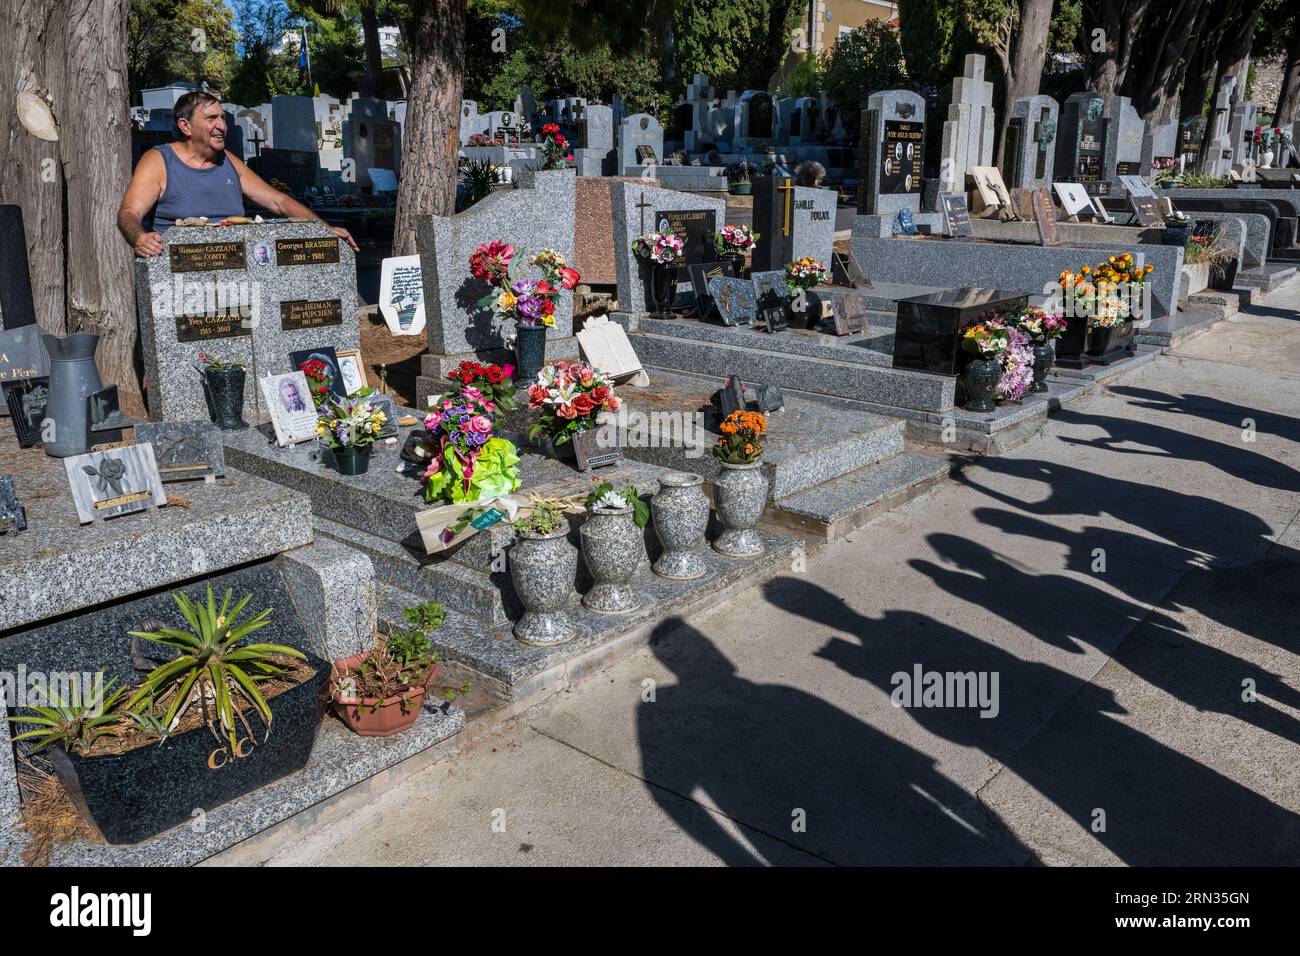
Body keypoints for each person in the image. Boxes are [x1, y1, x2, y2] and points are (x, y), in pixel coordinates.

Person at [118, 91, 357, 257]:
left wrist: (323, 229)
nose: (222, 125)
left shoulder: (228, 161)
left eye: (222, 118)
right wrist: (139, 237)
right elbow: (129, 213)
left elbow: (278, 200)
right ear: (185, 126)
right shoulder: (159, 160)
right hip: (183, 270)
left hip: (236, 268)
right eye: (211, 118)